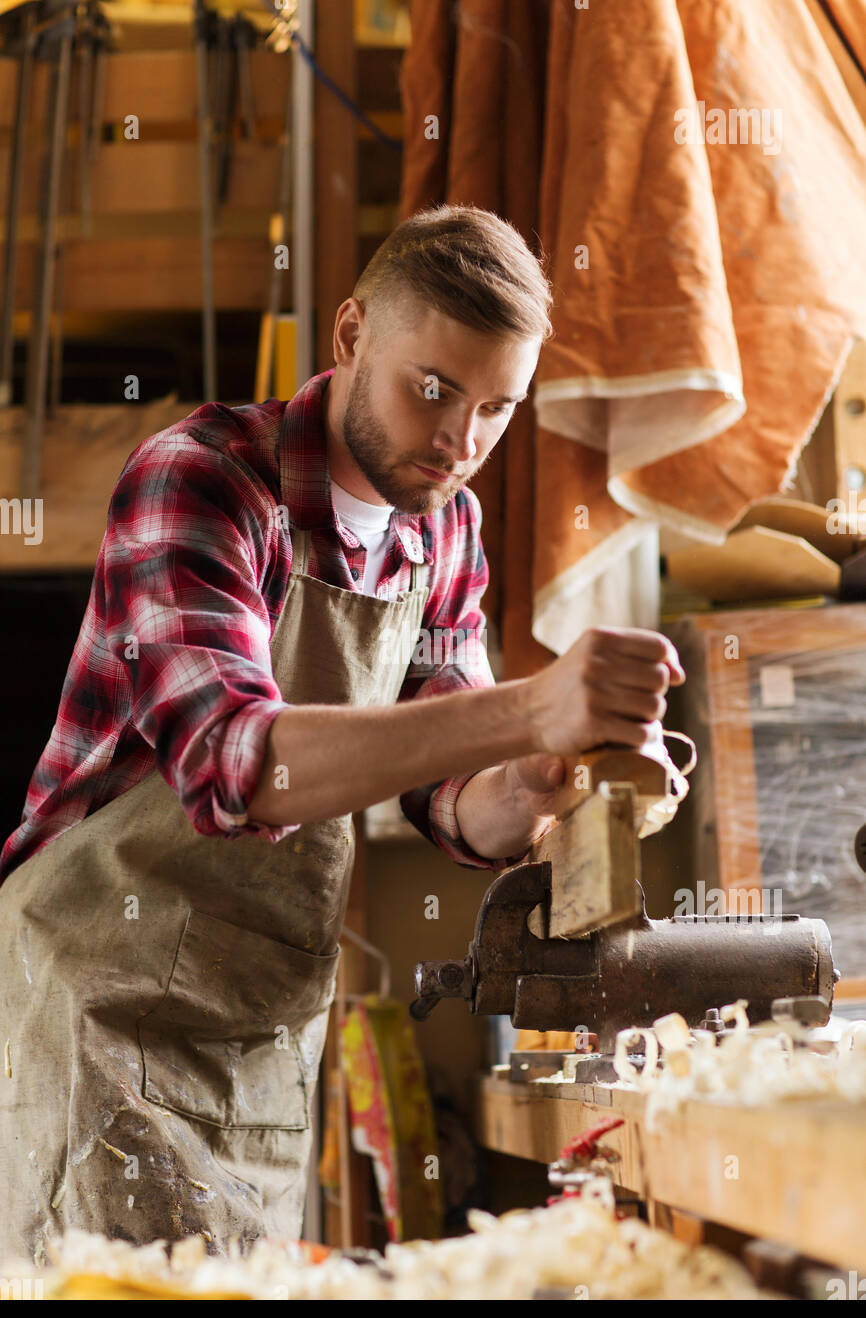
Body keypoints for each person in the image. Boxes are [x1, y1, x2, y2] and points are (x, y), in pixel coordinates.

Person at [0, 205, 683, 1263]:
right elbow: (237, 764)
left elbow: (451, 791)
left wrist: (536, 779)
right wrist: (531, 704)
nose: (460, 443)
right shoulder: (205, 478)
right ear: (351, 334)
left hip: (259, 1033)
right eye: (433, 390)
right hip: (95, 1003)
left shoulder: (443, 527)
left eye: (497, 408)